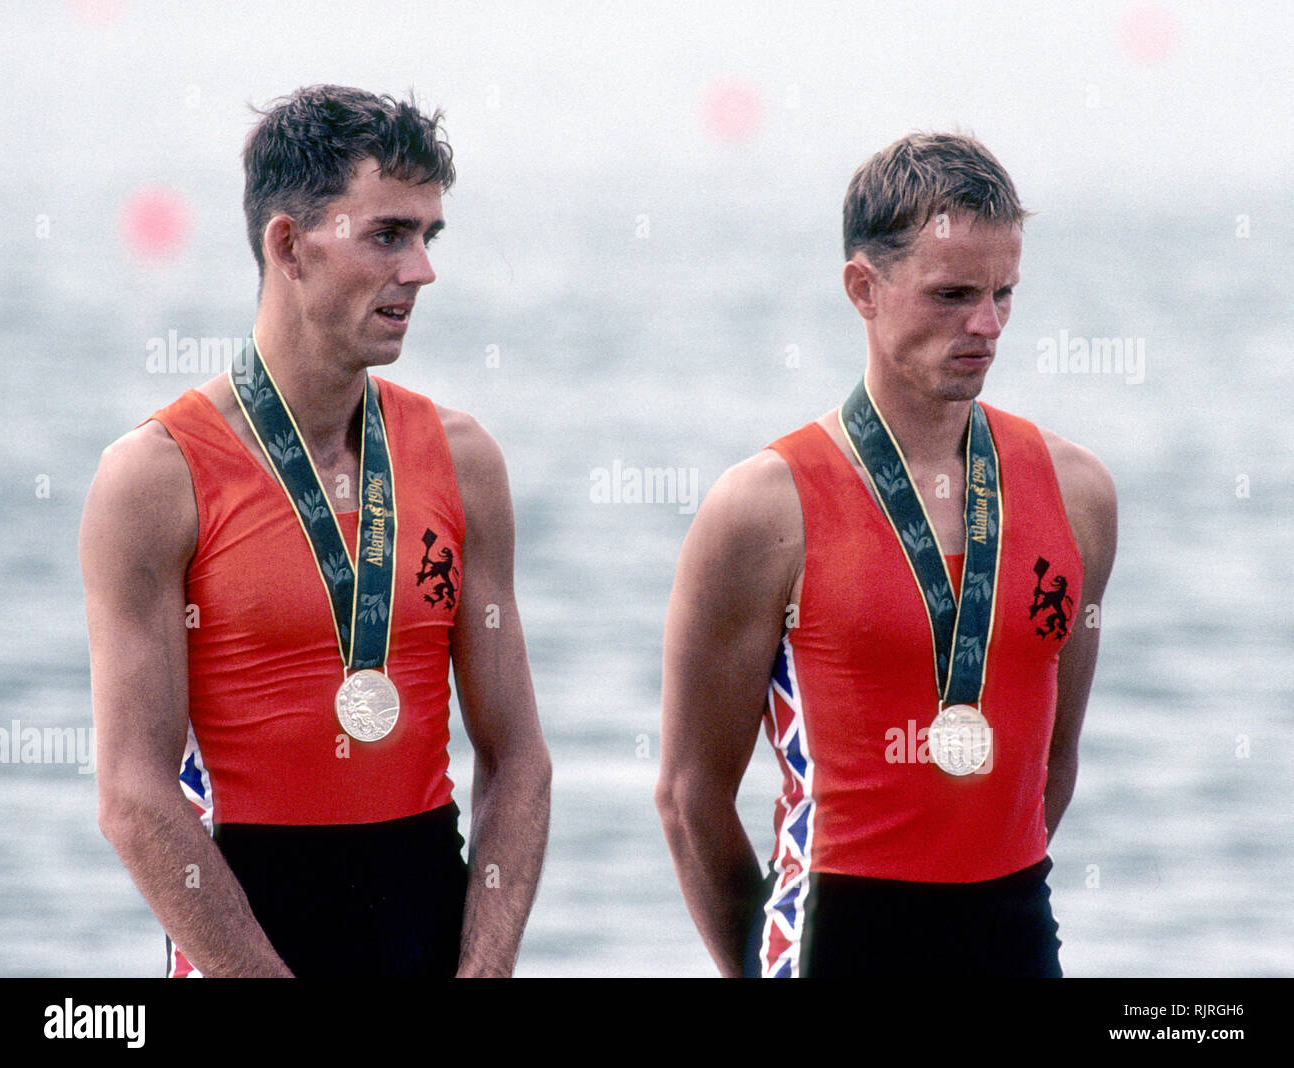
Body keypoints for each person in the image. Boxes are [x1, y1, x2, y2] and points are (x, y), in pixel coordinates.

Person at [81, 85, 551, 978]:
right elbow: (135, 797)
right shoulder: (155, 477)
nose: (421, 270)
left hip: (428, 924)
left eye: (428, 236)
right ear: (289, 246)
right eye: (387, 234)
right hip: (247, 934)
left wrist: (483, 970)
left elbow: (519, 760)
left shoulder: (464, 460)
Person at [655, 133, 1117, 978]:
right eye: (951, 295)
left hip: (1015, 933)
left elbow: (1053, 762)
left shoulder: (1079, 494)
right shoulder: (762, 509)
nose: (986, 325)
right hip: (834, 939)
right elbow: (690, 800)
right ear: (863, 289)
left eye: (1002, 294)